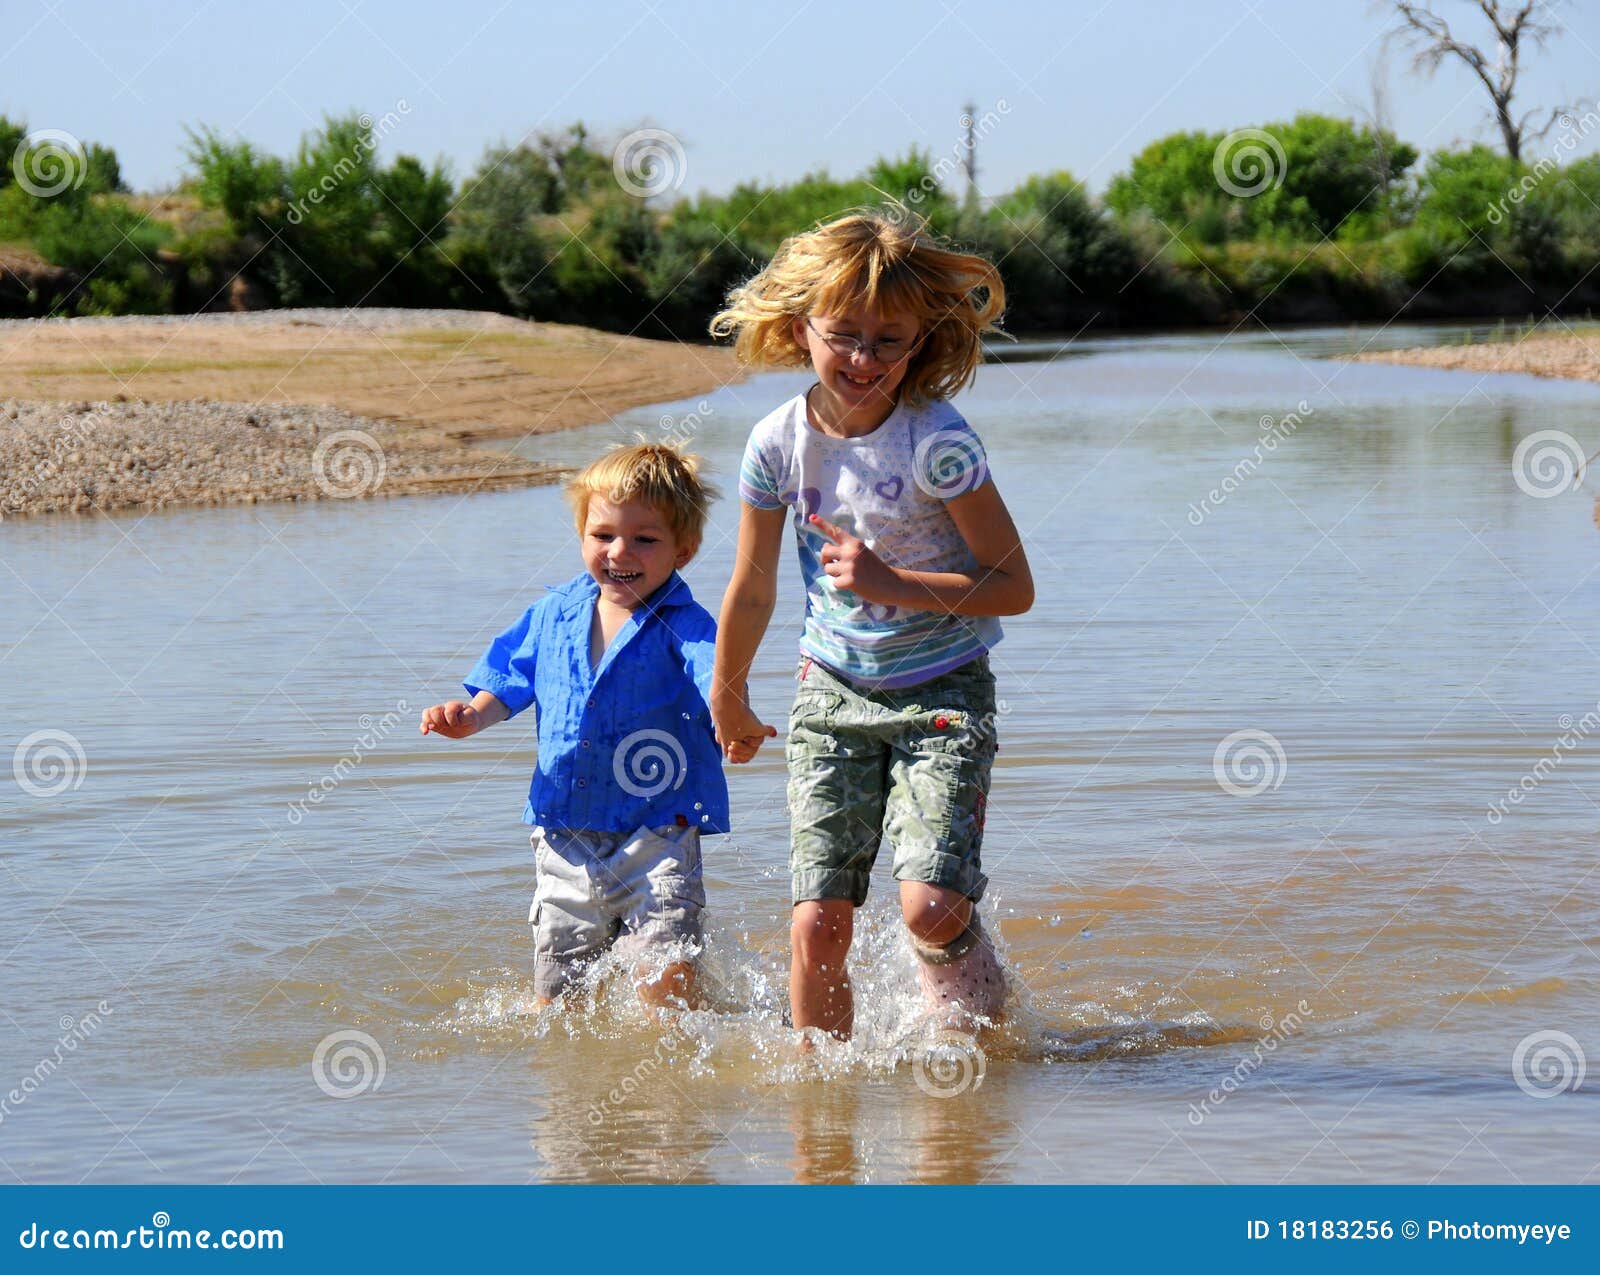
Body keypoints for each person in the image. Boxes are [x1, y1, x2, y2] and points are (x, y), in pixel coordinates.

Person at [707, 206, 1034, 1041]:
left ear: (922, 341)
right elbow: (750, 584)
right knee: (818, 923)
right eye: (843, 335)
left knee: (928, 907)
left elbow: (1012, 584)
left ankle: (979, 1033)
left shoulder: (940, 441)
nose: (863, 360)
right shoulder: (775, 443)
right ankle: (820, 1097)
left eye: (890, 341)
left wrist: (894, 580)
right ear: (797, 327)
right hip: (831, 694)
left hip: (943, 695)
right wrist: (728, 694)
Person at [419, 441, 759, 1010]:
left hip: (659, 831)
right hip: (564, 832)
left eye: (645, 539)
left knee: (666, 978)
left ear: (685, 549)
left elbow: (717, 678)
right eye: (603, 536)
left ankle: (668, 1080)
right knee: (559, 997)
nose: (619, 552)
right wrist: (470, 716)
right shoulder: (553, 612)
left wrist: (735, 720)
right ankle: (569, 1090)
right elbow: (510, 682)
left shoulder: (687, 623)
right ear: (583, 535)